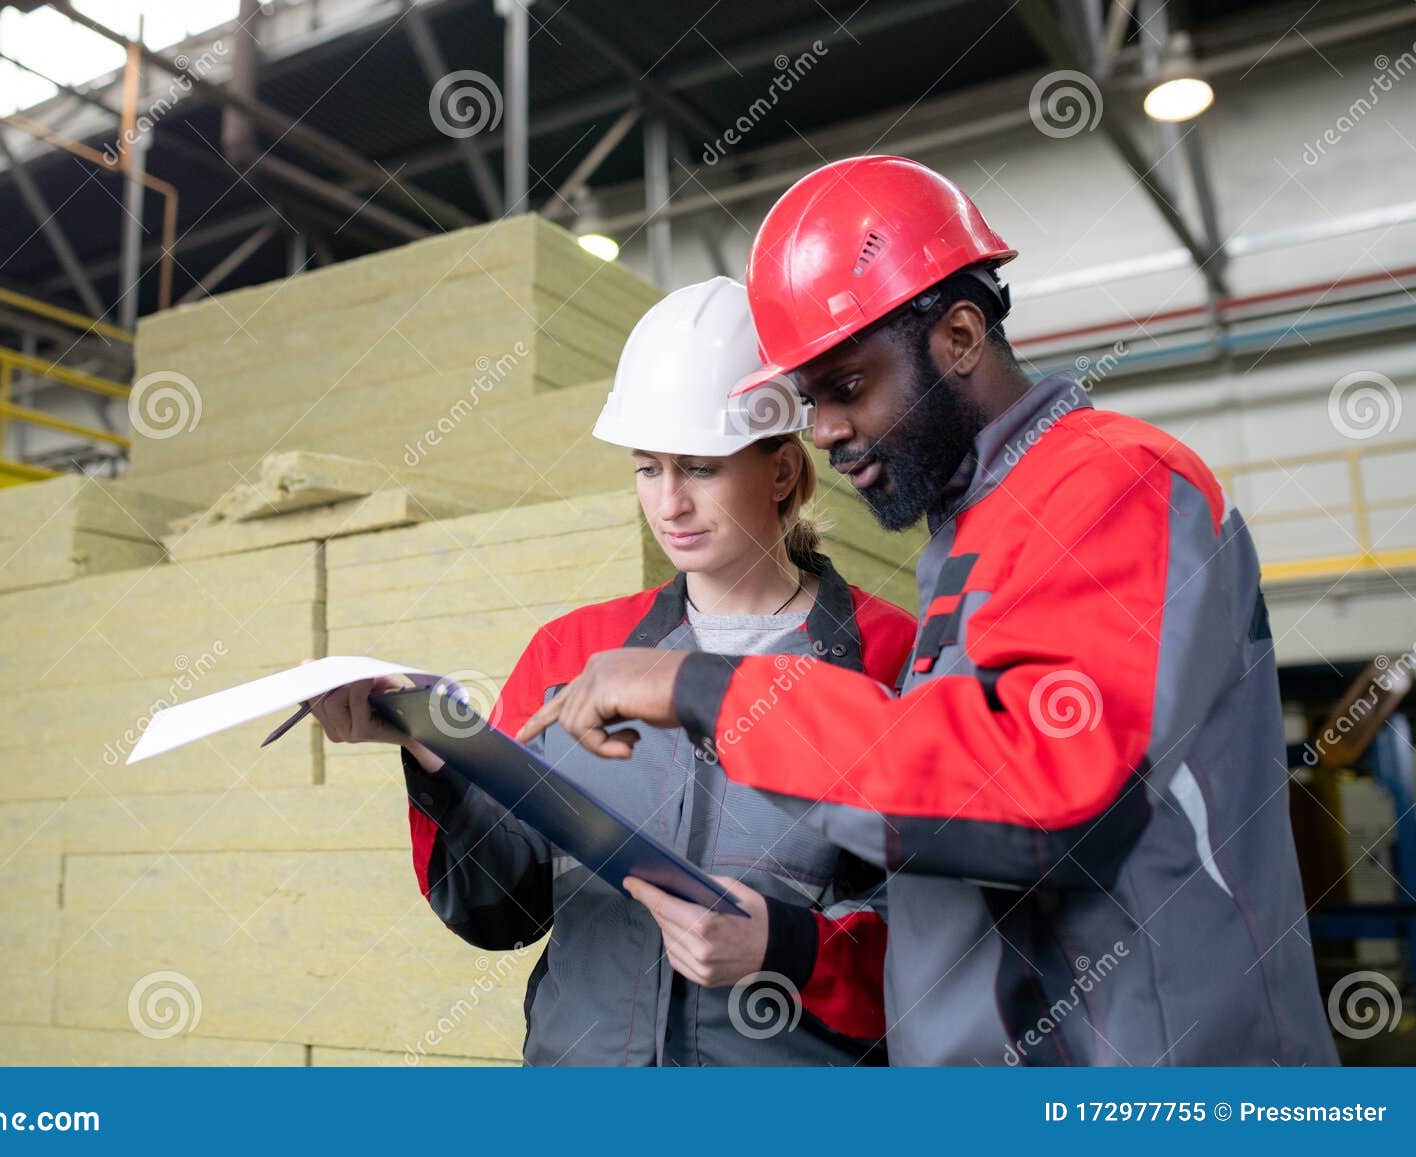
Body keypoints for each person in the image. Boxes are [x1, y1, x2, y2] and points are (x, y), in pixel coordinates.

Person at [518, 156, 1339, 1067]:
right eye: (811, 399)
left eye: (848, 387)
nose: (823, 431)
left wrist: (703, 685)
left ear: (957, 336)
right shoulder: (971, 540)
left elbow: (1041, 794)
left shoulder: (1114, 485)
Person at [309, 276, 917, 1065]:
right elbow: (504, 909)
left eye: (699, 468)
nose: (669, 504)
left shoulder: (891, 658)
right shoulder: (571, 654)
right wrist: (433, 750)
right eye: (646, 469)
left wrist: (788, 945)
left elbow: (950, 943)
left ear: (780, 470)